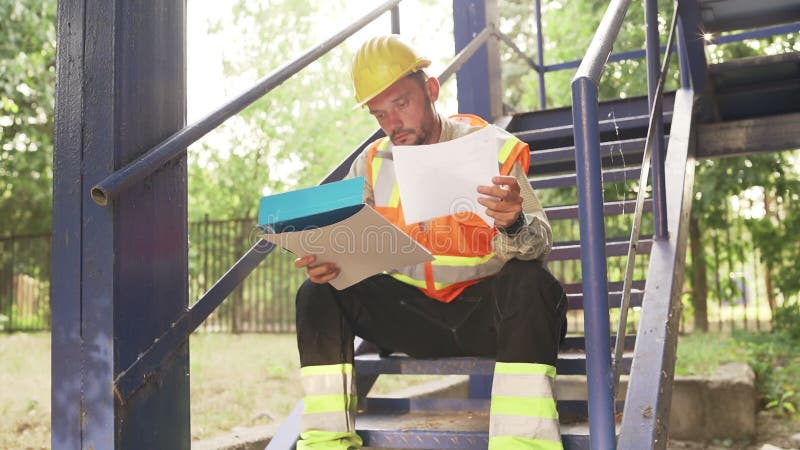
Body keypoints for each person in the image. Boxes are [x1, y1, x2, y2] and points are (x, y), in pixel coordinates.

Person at [293, 34, 567, 450]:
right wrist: (330, 262)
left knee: (531, 282)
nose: (392, 124)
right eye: (380, 114)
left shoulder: (491, 148)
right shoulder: (370, 165)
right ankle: (327, 443)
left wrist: (513, 222)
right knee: (317, 292)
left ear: (432, 90)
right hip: (410, 318)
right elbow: (344, 243)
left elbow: (540, 240)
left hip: (485, 317)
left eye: (401, 104)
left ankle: (522, 444)